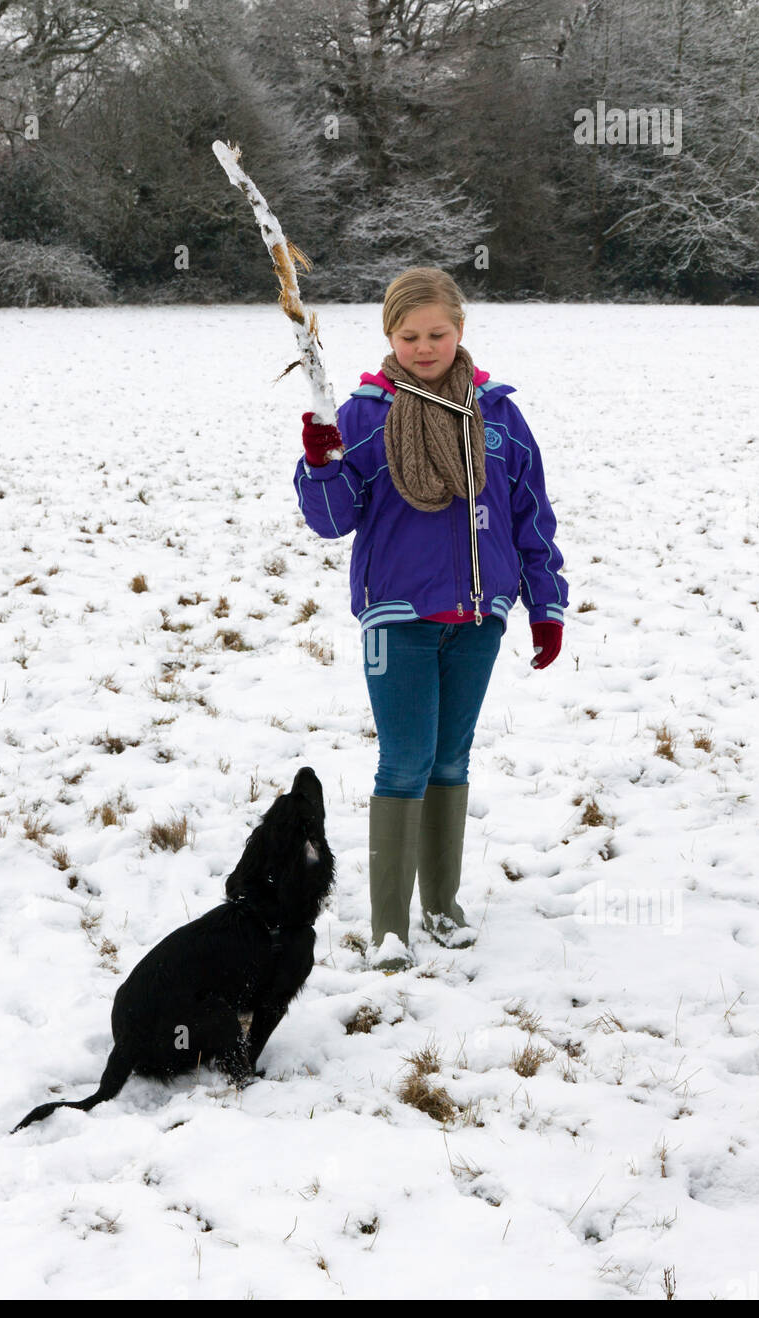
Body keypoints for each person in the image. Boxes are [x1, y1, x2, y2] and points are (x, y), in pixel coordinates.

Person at [293, 267, 568, 971]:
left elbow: (530, 514)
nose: (423, 346)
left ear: (461, 331)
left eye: (437, 333)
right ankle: (390, 928)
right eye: (408, 335)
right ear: (390, 336)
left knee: (451, 758)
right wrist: (321, 465)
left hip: (480, 617)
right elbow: (331, 522)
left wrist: (546, 604)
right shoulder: (361, 415)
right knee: (406, 759)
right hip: (398, 615)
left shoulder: (499, 415)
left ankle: (442, 906)